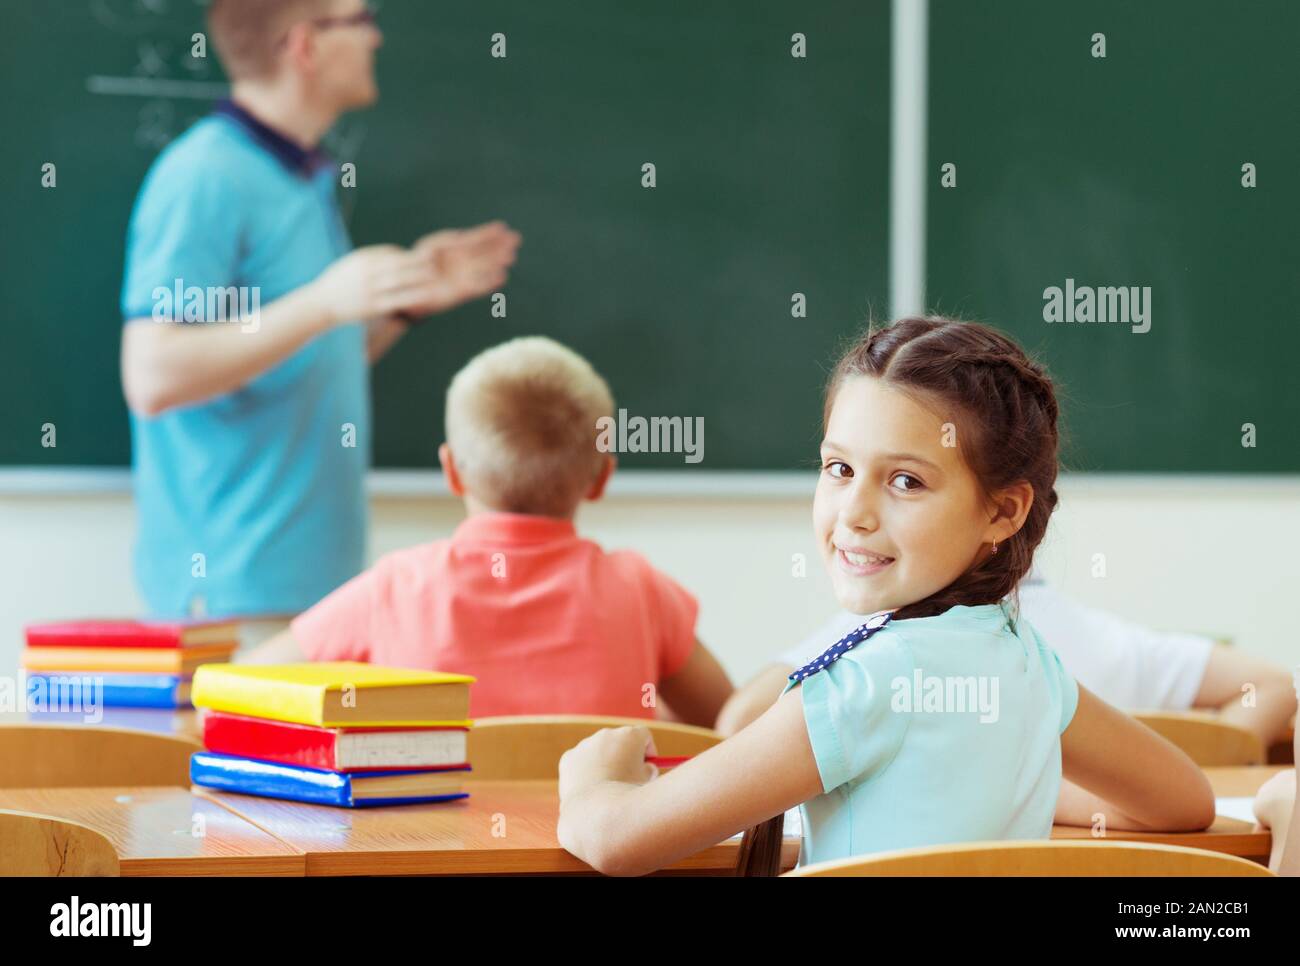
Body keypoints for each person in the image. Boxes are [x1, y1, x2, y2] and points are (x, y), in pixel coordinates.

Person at [556, 316, 1212, 876]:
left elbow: (616, 842)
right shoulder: (1027, 663)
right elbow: (1184, 801)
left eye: (904, 481)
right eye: (838, 469)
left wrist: (592, 779)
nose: (856, 514)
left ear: (1003, 511)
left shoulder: (861, 688)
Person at [118, 0, 520, 647]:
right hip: (230, 597)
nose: (376, 36)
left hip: (315, 589)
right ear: (304, 45)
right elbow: (153, 373)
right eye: (359, 20)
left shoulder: (301, 178)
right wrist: (325, 301)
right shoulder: (204, 177)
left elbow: (299, 354)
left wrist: (403, 303)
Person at [242, 337, 733, 726]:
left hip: (431, 850)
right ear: (603, 477)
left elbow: (240, 691)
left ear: (451, 471)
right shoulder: (641, 590)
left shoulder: (396, 588)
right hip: (599, 852)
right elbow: (730, 720)